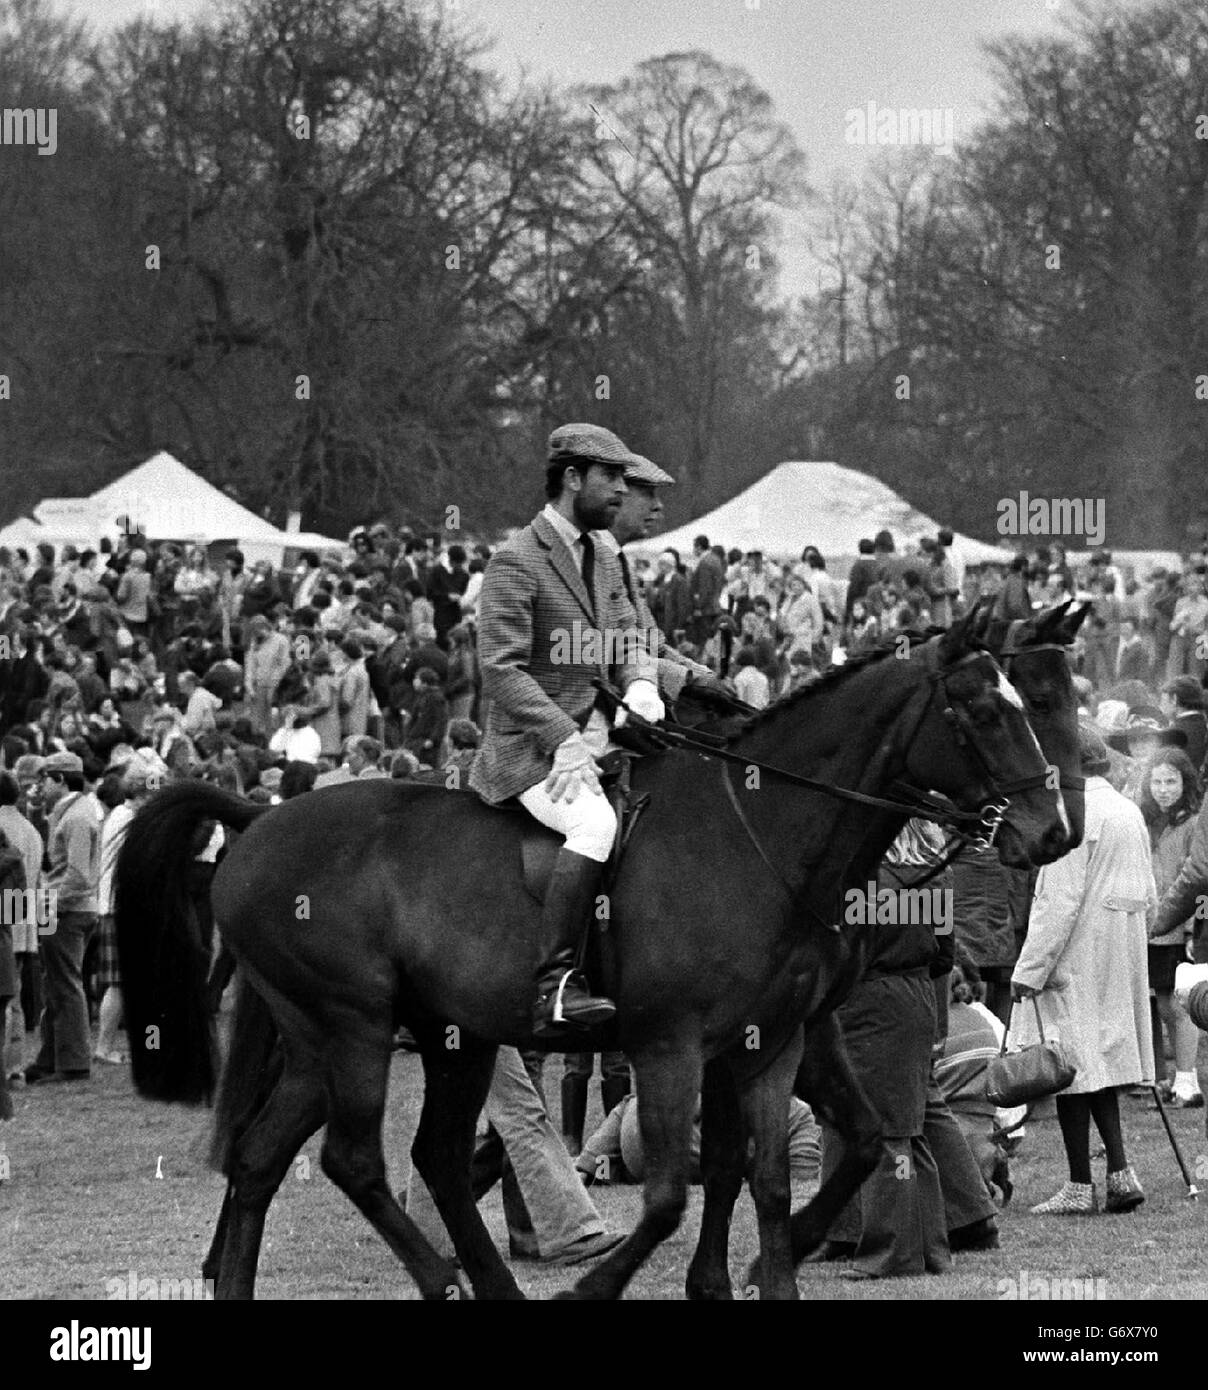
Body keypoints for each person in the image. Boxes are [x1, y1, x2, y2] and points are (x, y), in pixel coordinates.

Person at [470, 422, 662, 1037]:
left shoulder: (602, 557)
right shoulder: (516, 560)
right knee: (596, 823)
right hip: (531, 749)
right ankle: (553, 985)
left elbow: (631, 634)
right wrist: (564, 737)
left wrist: (641, 683)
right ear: (572, 479)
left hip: (604, 735)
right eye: (611, 479)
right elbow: (501, 668)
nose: (621, 491)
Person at [1012, 723, 1154, 1215]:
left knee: (1068, 1065)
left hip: (1074, 957)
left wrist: (1028, 969)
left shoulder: (1072, 814)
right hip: (1119, 951)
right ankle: (1119, 1172)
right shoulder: (1129, 811)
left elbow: (1058, 902)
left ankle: (1078, 1184)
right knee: (1100, 1067)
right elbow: (1149, 895)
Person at [25, 751, 102, 1084]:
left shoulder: (77, 818)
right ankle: (50, 1058)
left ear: (59, 779)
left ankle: (73, 1063)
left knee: (66, 985)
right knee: (55, 984)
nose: (41, 785)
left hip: (66, 910)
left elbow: (78, 875)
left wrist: (46, 905)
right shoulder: (72, 811)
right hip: (68, 908)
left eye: (45, 778)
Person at [1140, 747, 1203, 1107]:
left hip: (1182, 925)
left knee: (1181, 1004)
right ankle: (1168, 1079)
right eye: (1157, 781)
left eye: (1171, 781)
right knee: (1162, 1002)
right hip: (1153, 926)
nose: (1164, 789)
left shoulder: (1193, 823)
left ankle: (1187, 1082)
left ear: (1185, 782)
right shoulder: (1146, 821)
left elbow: (1198, 878)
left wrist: (1197, 927)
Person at [0, 770, 43, 1082]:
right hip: (24, 919)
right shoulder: (30, 829)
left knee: (8, 1000)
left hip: (7, 920)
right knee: (14, 999)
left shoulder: (4, 828)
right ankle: (15, 1067)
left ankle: (10, 1068)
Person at [1159, 676, 1208, 776]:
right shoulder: (1204, 726)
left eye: (1162, 701)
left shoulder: (1170, 734)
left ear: (1174, 699)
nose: (1160, 706)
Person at [687, 534, 725, 647]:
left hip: (705, 608)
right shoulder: (716, 559)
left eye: (694, 547)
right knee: (711, 640)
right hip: (714, 605)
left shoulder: (705, 562)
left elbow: (705, 587)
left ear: (698, 547)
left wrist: (698, 606)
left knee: (702, 641)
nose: (693, 550)